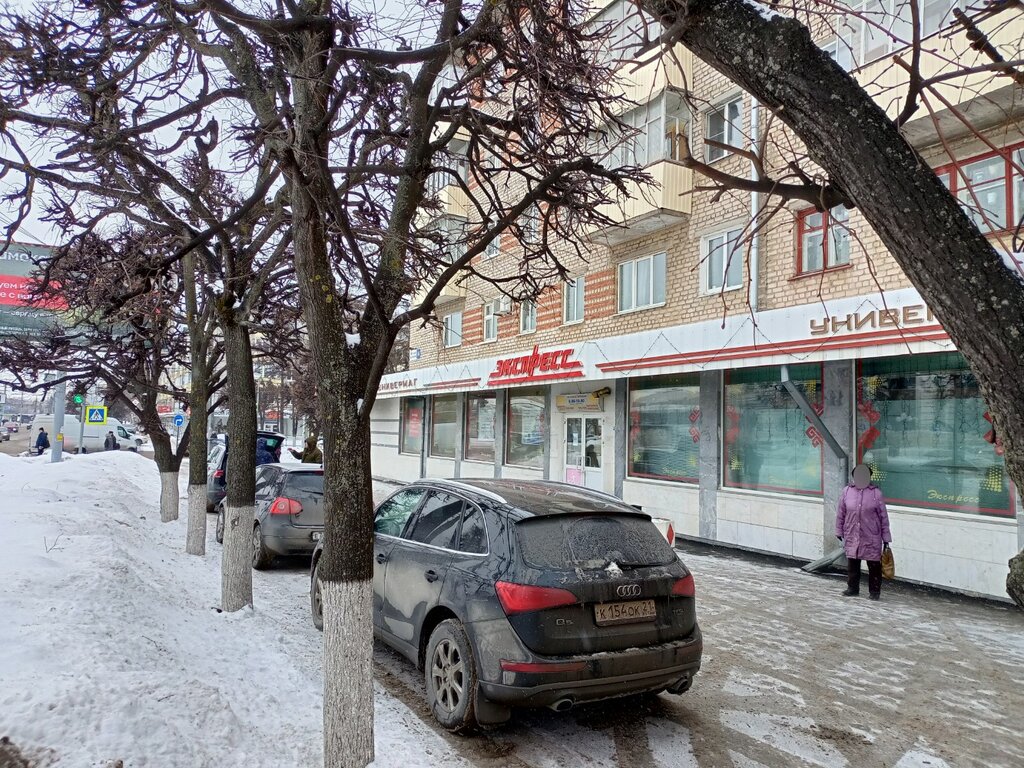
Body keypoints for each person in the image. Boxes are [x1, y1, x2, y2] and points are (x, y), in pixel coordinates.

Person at [836, 463, 892, 600]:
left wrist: (886, 539)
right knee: (853, 563)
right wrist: (839, 530)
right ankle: (852, 588)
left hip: (871, 535)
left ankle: (874, 592)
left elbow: (883, 517)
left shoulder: (876, 493)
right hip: (852, 533)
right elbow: (841, 513)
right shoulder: (847, 491)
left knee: (874, 565)